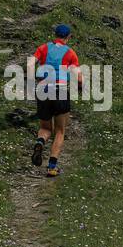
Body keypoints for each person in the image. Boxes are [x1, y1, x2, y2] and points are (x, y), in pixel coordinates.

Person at [31, 24, 82, 177]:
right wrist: (80, 87)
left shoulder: (43, 48)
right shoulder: (71, 53)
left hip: (43, 89)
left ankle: (40, 142)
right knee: (60, 131)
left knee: (46, 128)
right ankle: (52, 167)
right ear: (69, 37)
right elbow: (78, 77)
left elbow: (31, 62)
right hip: (60, 90)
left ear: (55, 35)